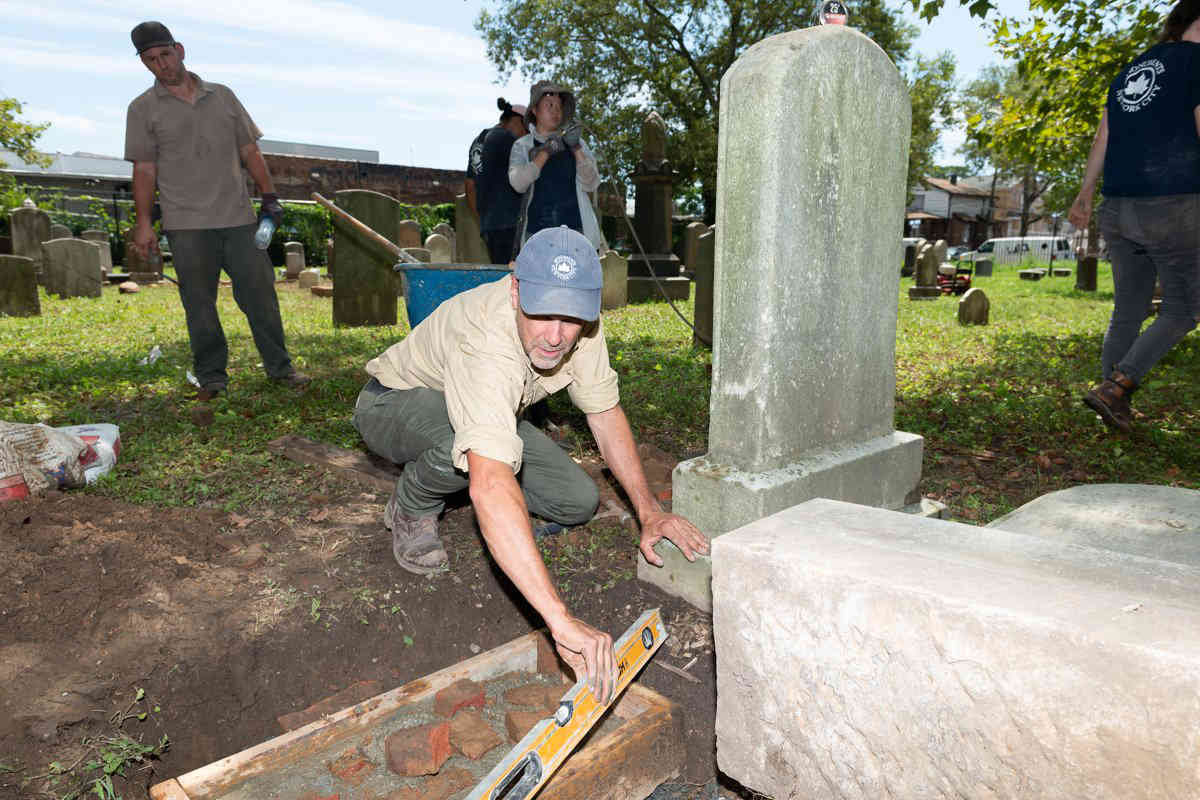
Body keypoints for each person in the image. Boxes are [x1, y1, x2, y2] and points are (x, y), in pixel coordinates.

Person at [352, 226, 709, 701]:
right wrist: (559, 621)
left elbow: (603, 412)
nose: (556, 336)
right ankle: (411, 504)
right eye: (542, 314)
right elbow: (491, 483)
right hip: (393, 405)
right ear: (517, 288)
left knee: (577, 500)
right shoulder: (485, 341)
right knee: (471, 456)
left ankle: (488, 501)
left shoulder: (581, 329)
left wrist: (649, 511)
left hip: (479, 406)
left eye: (572, 318)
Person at [124, 21, 309, 398]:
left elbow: (249, 151)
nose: (160, 65)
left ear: (180, 49)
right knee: (199, 305)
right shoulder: (142, 109)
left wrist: (270, 197)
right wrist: (144, 224)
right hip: (186, 224)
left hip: (239, 220)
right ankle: (212, 377)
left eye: (164, 55)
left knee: (261, 296)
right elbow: (144, 169)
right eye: (150, 60)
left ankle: (280, 369)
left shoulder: (223, 96)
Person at [1069, 0, 1200, 434]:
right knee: (1184, 309)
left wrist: (1085, 192)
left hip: (1118, 206)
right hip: (1173, 205)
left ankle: (1112, 409)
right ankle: (1118, 387)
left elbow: (1104, 133)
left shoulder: (1133, 69)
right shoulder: (1197, 62)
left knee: (1128, 309)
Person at [508, 82, 605, 253]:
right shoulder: (522, 146)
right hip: (537, 235)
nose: (556, 111)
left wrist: (576, 149)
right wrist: (545, 153)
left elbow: (591, 184)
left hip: (577, 234)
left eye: (559, 106)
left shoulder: (578, 144)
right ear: (534, 111)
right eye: (549, 105)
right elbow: (518, 183)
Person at [466, 98, 528, 265]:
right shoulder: (508, 139)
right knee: (515, 280)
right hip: (511, 224)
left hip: (491, 226)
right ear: (517, 121)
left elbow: (470, 186)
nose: (526, 135)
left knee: (501, 278)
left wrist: (484, 222)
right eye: (527, 129)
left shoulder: (478, 142)